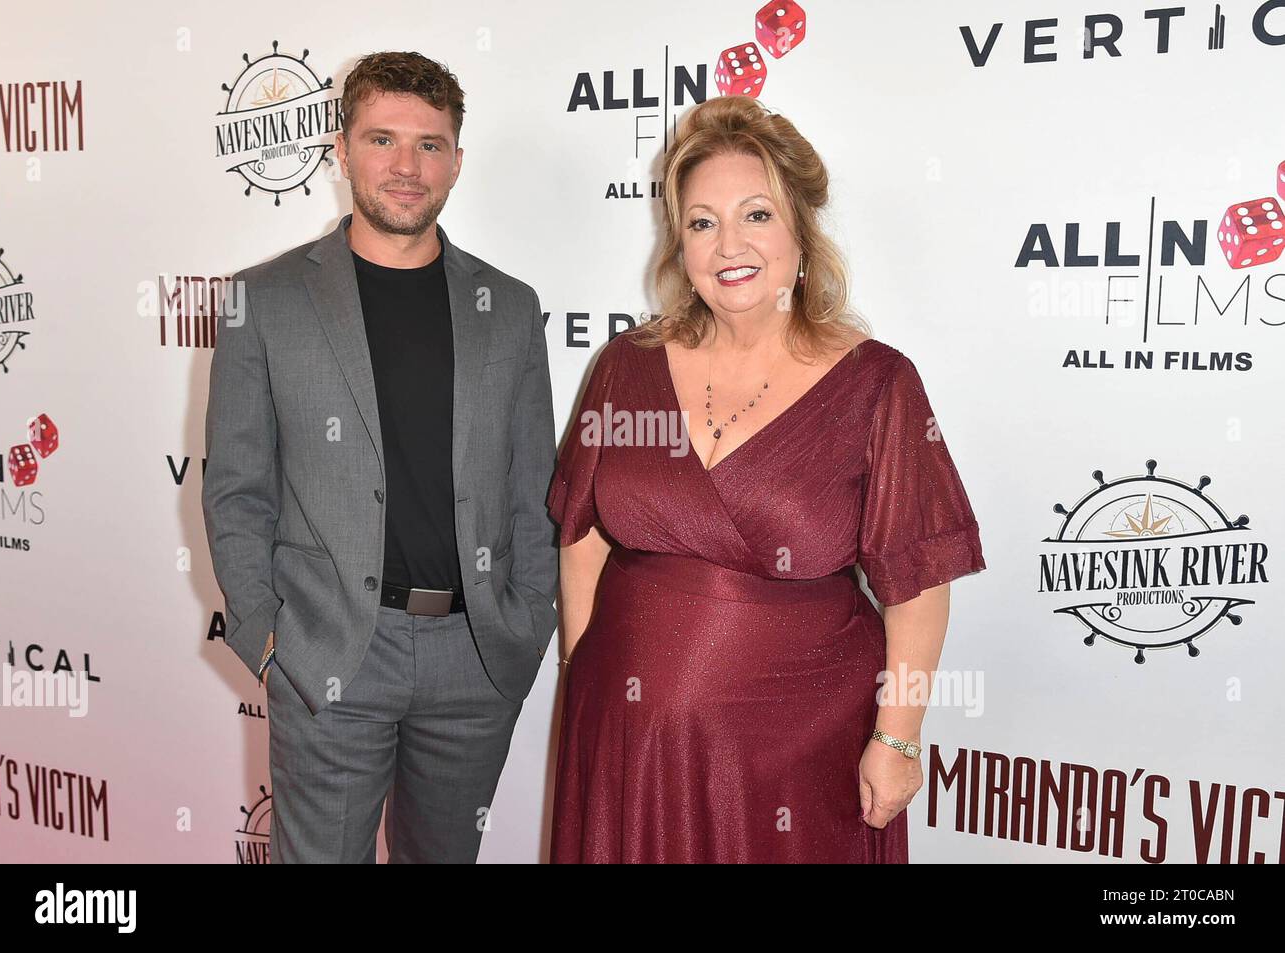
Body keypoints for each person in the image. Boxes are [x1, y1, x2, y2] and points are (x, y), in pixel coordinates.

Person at [546, 95, 987, 863]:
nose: (728, 245)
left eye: (756, 214)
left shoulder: (876, 384)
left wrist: (900, 735)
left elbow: (917, 584)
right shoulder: (626, 365)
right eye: (702, 222)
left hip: (796, 760)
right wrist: (587, 682)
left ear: (801, 234)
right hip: (628, 745)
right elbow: (582, 536)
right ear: (678, 245)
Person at [201, 51, 557, 863]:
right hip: (330, 653)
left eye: (430, 145)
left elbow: (536, 487)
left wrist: (528, 620)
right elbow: (236, 491)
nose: (406, 166)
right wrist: (269, 638)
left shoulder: (508, 307)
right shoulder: (266, 300)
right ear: (341, 149)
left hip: (474, 657)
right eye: (382, 139)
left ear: (458, 160)